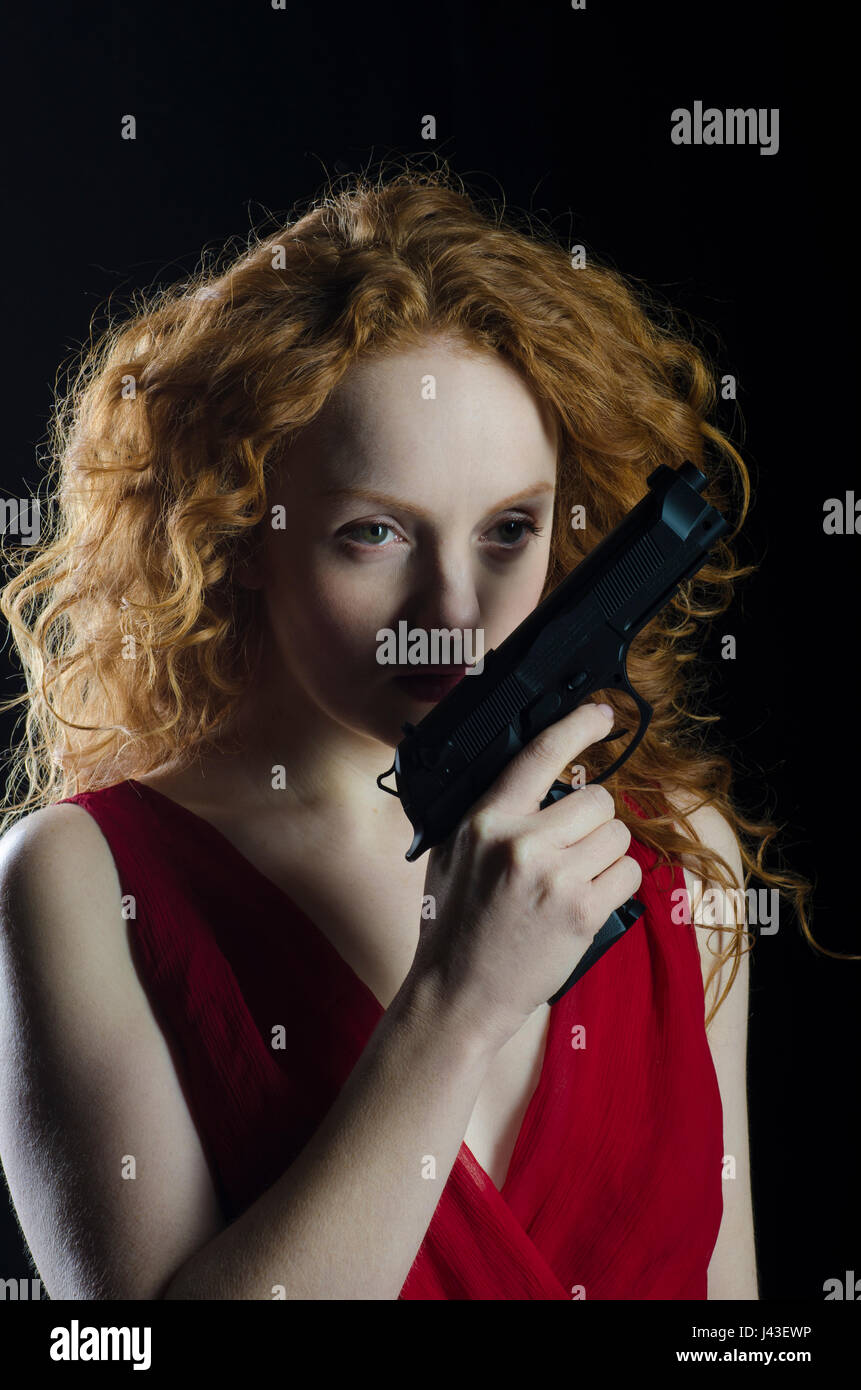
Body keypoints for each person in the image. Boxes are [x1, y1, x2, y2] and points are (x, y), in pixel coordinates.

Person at [0, 166, 809, 1300]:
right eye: (375, 533)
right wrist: (457, 1007)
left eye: (509, 529)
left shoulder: (681, 857)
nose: (457, 617)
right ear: (239, 536)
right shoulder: (83, 879)